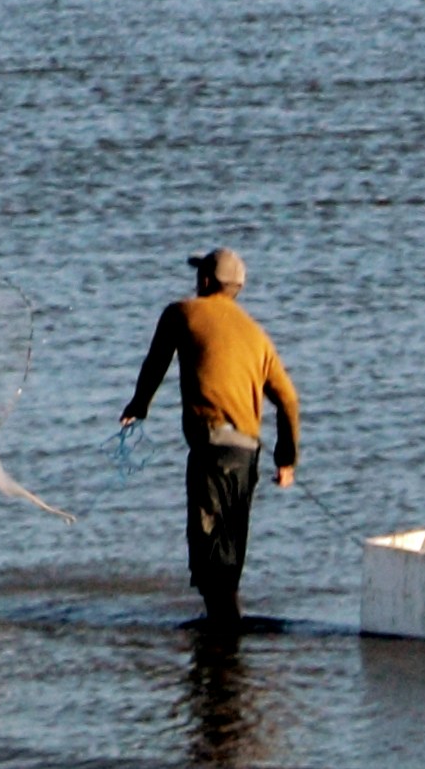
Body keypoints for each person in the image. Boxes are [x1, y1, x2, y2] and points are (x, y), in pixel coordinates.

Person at [119, 246, 301, 629]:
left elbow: (156, 362)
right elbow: (288, 399)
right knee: (231, 544)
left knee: (206, 543)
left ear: (205, 281)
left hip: (212, 446)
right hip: (247, 453)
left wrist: (138, 405)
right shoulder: (256, 334)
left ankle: (222, 632)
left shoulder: (182, 312)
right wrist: (285, 460)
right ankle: (226, 627)